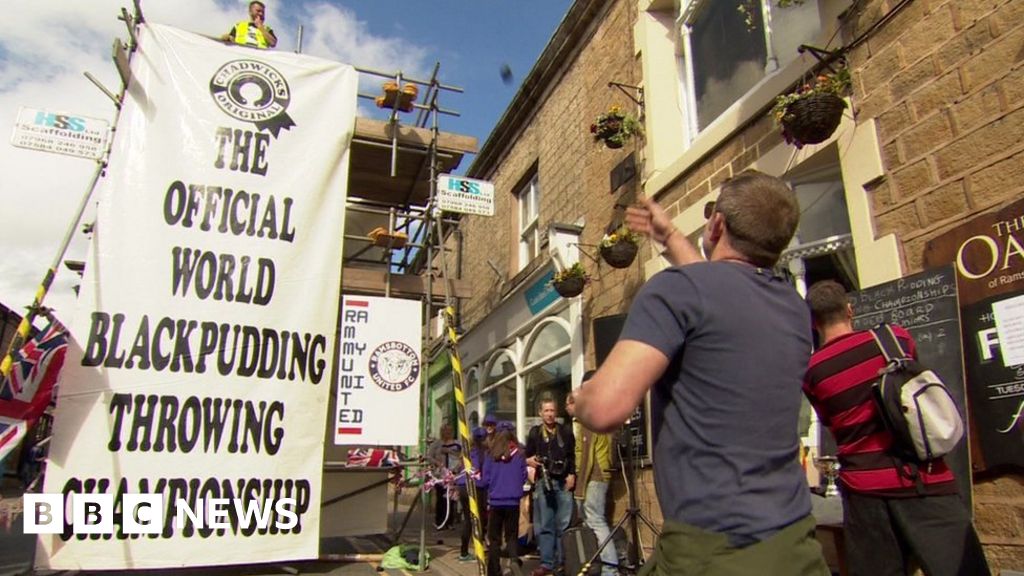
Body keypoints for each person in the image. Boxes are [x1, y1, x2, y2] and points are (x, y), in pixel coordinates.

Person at [573, 170, 830, 575]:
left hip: (712, 550)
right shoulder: (793, 308)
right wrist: (672, 236)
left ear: (717, 224)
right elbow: (716, 293)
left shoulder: (676, 290)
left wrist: (580, 401)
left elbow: (605, 410)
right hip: (795, 543)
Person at [803, 280, 991, 576]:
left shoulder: (813, 371)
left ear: (813, 321)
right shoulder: (896, 339)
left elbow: (829, 421)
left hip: (865, 492)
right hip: (924, 481)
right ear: (849, 309)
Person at [565, 376, 618, 576]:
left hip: (594, 477)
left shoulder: (589, 417)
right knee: (594, 520)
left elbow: (587, 456)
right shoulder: (596, 414)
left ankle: (610, 568)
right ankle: (599, 564)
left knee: (596, 520)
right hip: (598, 475)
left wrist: (580, 488)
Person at [525, 394, 576, 576]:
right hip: (543, 482)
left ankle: (562, 562)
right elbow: (527, 456)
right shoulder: (534, 433)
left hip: (563, 482)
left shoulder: (566, 431)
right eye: (546, 411)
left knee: (563, 524)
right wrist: (530, 461)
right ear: (540, 413)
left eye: (552, 410)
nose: (549, 414)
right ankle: (547, 563)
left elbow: (572, 455)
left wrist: (572, 474)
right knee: (545, 524)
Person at [484, 426, 527, 576]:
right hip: (513, 502)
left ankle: (494, 570)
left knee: (494, 539)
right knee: (512, 536)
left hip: (496, 502)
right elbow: (523, 476)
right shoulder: (519, 455)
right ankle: (514, 562)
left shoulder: (491, 455)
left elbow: (486, 479)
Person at [456, 426, 490, 562]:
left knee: (467, 519)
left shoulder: (467, 452)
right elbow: (486, 474)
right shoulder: (485, 453)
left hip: (462, 486)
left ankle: (463, 552)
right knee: (479, 520)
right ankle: (479, 550)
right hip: (476, 487)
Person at [428, 423, 462, 530]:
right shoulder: (436, 444)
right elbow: (428, 456)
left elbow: (462, 457)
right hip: (440, 475)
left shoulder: (457, 444)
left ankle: (450, 522)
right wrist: (437, 462)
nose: (447, 433)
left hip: (453, 474)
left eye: (449, 431)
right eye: (444, 430)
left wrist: (451, 453)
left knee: (451, 499)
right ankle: (439, 521)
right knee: (441, 499)